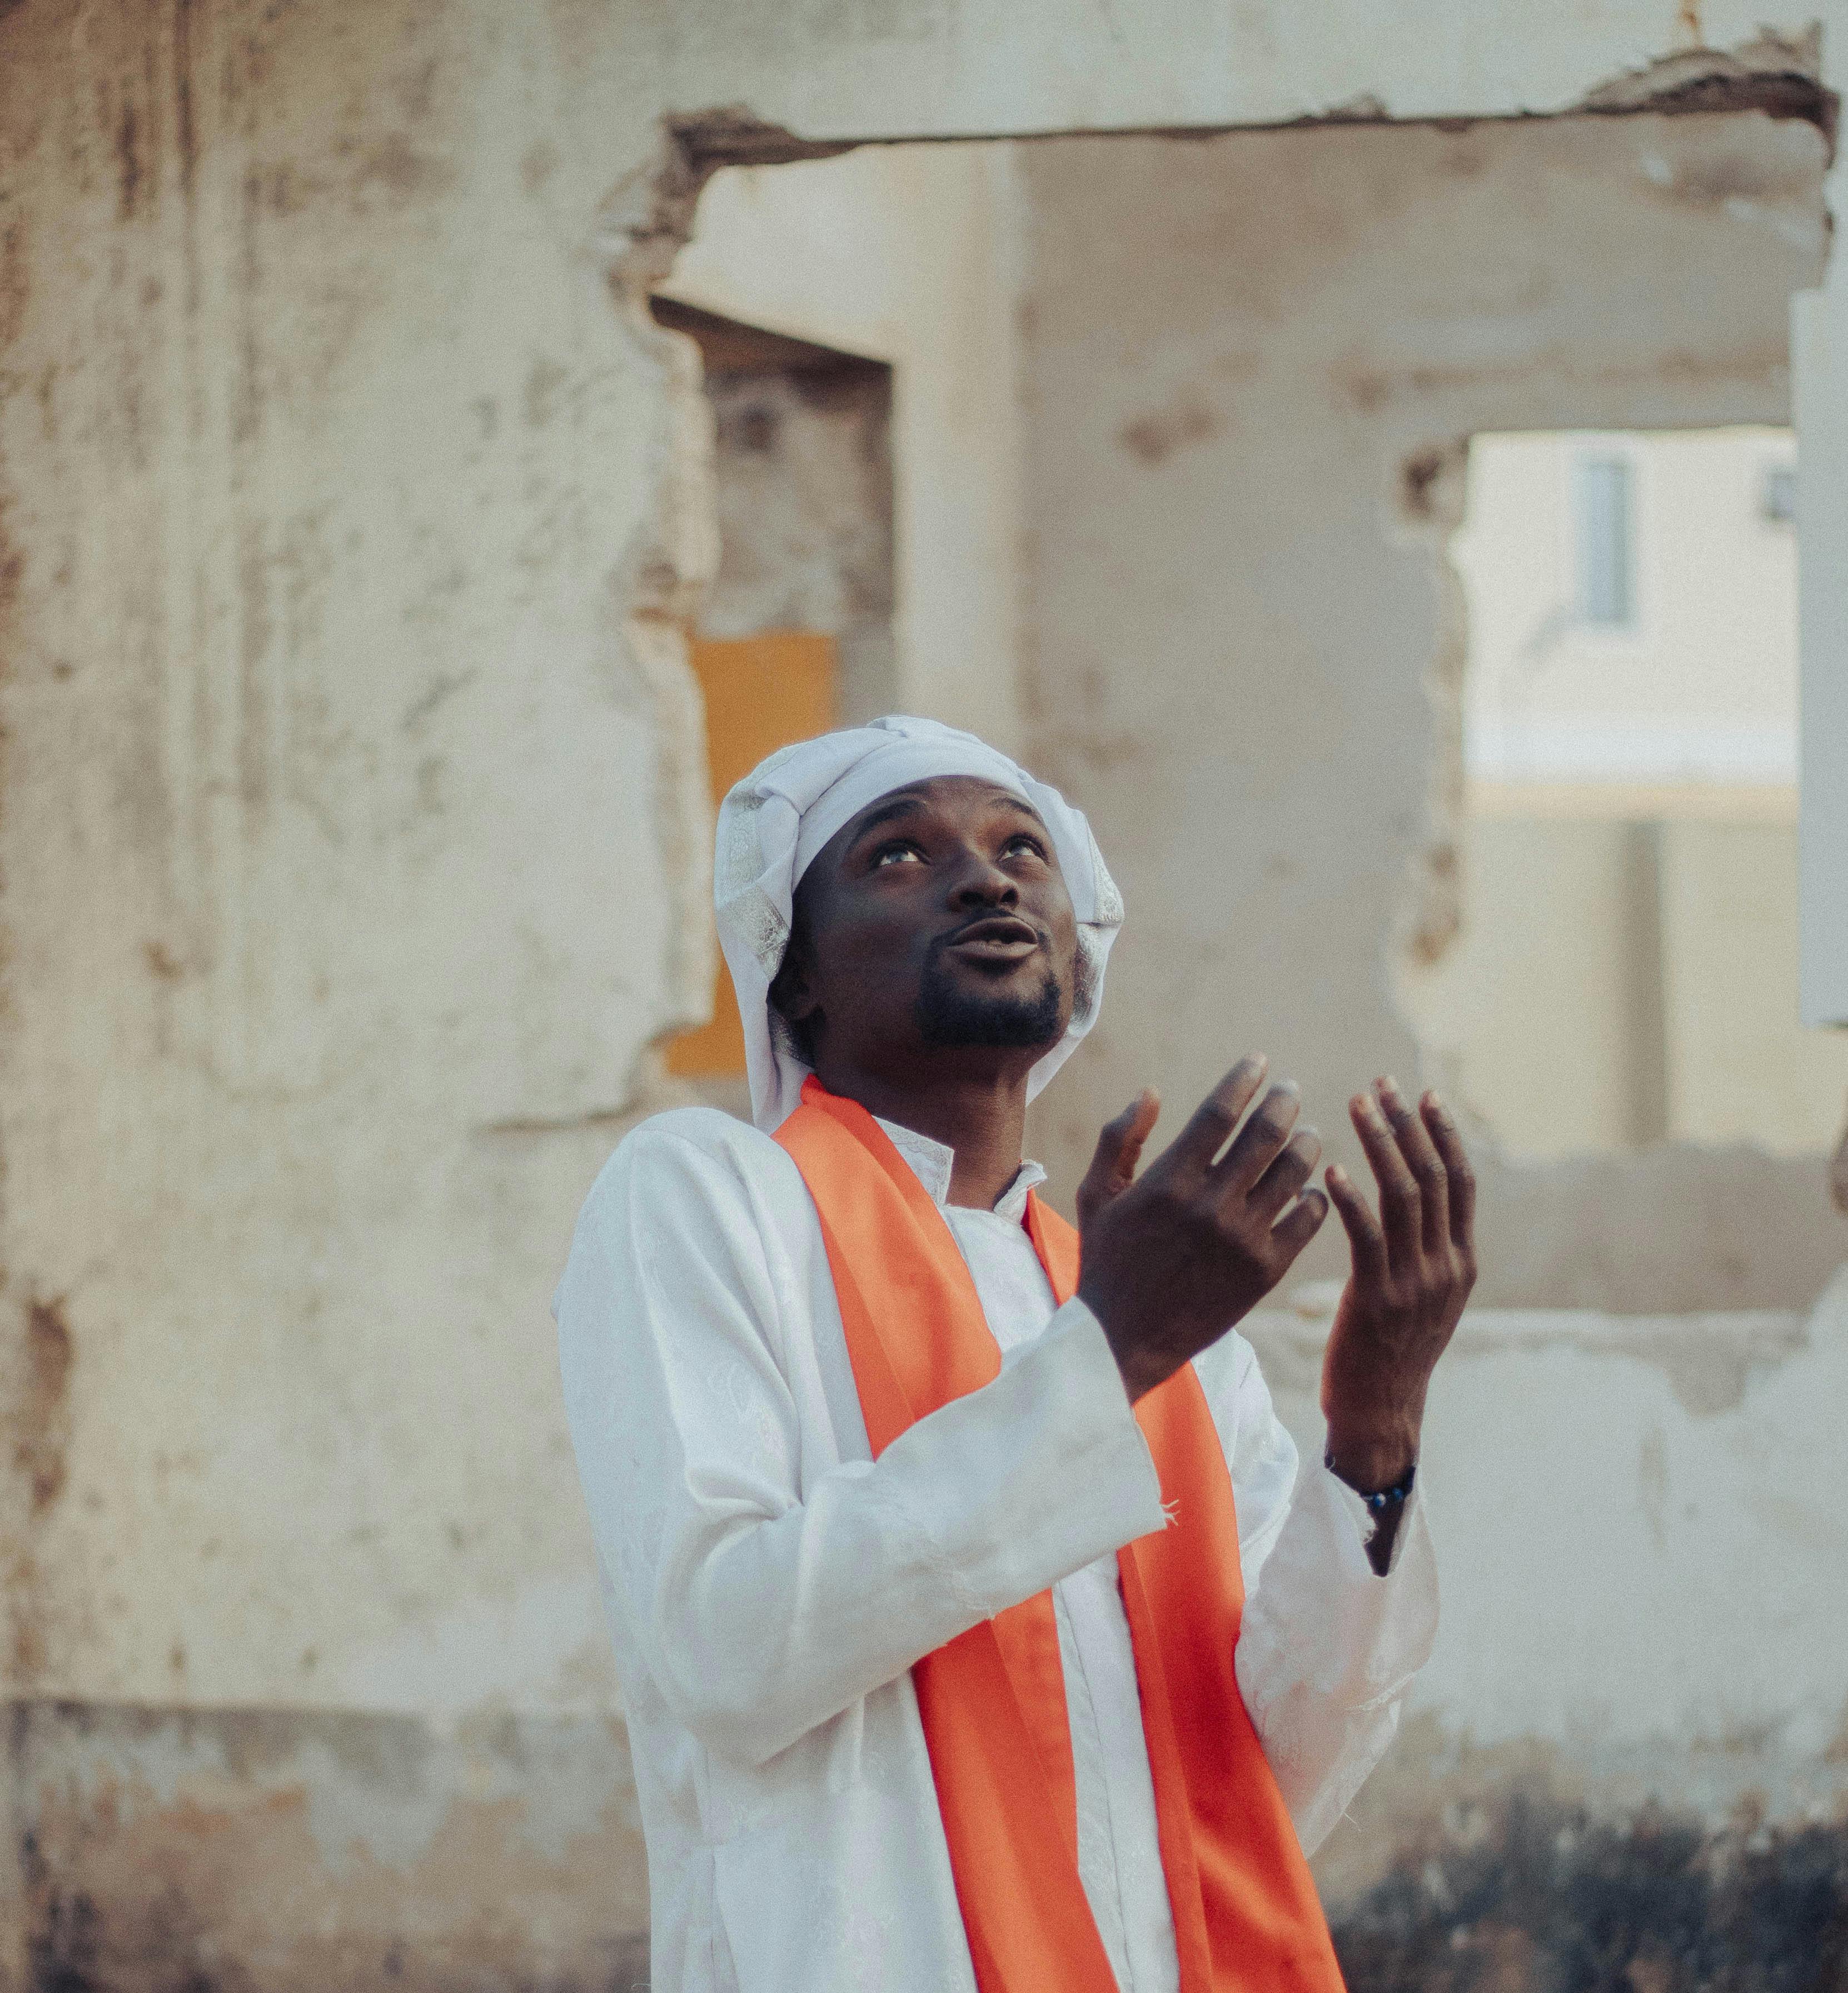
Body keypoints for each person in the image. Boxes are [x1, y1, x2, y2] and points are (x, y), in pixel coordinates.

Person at [556, 715, 1476, 1993]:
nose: (985, 877)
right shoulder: (708, 1194)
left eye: (1020, 847)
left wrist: (1375, 1427)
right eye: (895, 854)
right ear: (796, 971)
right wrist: (1108, 1354)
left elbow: (1279, 1778)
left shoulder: (1157, 1309)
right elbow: (728, 1649)